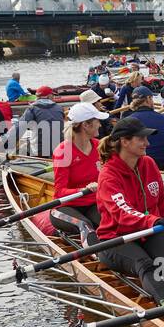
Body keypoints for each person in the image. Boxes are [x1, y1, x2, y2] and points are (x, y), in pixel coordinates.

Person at [94, 116, 164, 304]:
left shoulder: (148, 164)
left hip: (148, 231)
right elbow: (122, 213)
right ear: (124, 142)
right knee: (145, 264)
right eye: (141, 139)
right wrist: (154, 221)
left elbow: (162, 205)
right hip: (115, 239)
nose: (147, 143)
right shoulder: (108, 175)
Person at [49, 101, 107, 240]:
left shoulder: (99, 146)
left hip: (93, 203)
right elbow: (60, 192)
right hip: (66, 207)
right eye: (97, 121)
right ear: (85, 125)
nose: (100, 124)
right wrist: (83, 189)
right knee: (85, 225)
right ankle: (97, 257)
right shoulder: (63, 152)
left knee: (112, 222)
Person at [2, 86, 64, 156]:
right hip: (60, 149)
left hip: (40, 151)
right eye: (53, 95)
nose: (53, 97)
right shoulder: (60, 108)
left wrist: (6, 142)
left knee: (20, 147)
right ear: (49, 96)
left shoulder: (32, 109)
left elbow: (20, 127)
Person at [127, 87, 164, 169]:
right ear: (148, 99)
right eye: (152, 99)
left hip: (148, 166)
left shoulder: (129, 120)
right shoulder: (162, 117)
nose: (153, 102)